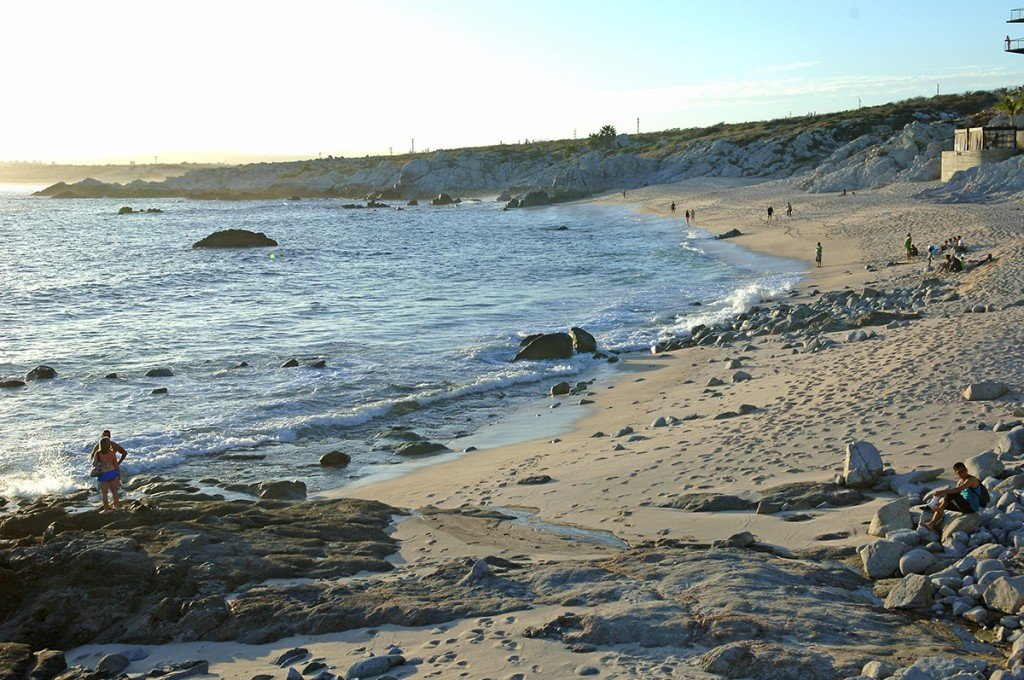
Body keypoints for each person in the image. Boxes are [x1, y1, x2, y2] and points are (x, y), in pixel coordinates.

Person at [923, 462, 983, 531]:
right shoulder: (960, 482)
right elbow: (958, 494)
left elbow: (958, 490)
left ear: (966, 469)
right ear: (956, 473)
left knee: (951, 495)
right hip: (963, 505)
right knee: (940, 505)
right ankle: (931, 524)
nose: (962, 473)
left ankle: (939, 509)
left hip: (971, 507)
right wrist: (943, 502)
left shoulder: (972, 479)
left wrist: (942, 492)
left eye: (963, 471)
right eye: (959, 472)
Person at [91, 437, 124, 513]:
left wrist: (100, 463)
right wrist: (119, 476)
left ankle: (106, 509)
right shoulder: (112, 452)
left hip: (103, 474)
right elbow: (116, 465)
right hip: (113, 472)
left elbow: (94, 464)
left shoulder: (98, 453)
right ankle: (117, 507)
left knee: (105, 494)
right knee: (115, 491)